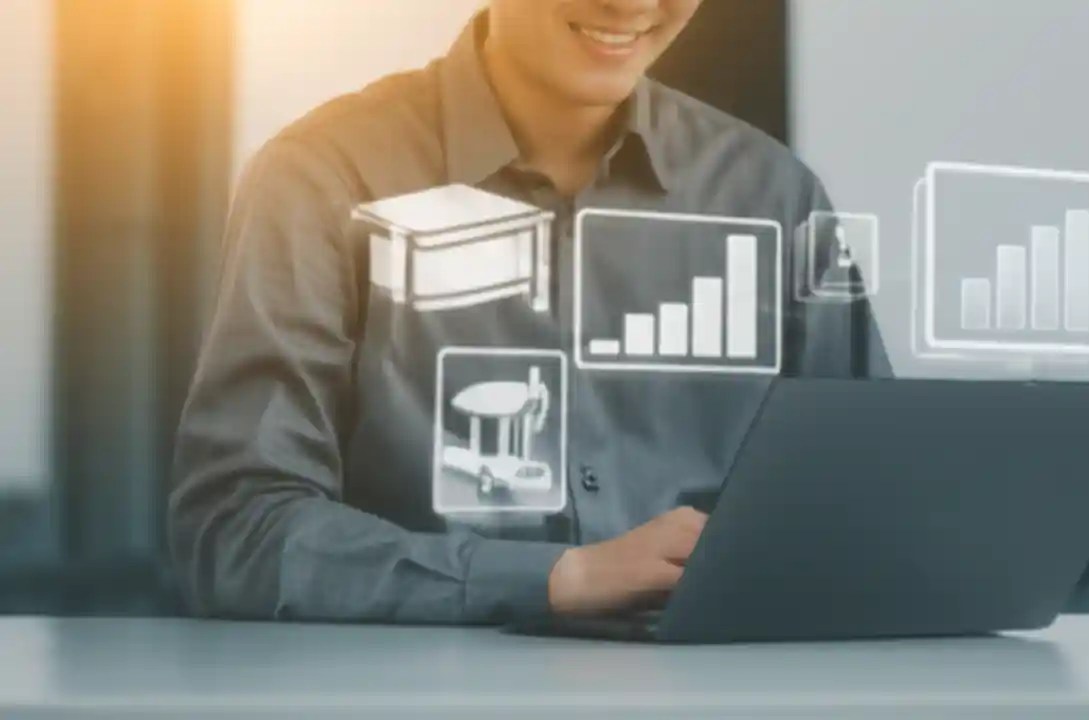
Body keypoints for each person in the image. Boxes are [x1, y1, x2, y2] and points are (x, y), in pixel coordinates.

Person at [169, 0, 891, 624]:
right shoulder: (321, 179)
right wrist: (554, 579)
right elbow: (238, 534)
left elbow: (884, 511)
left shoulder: (773, 196)